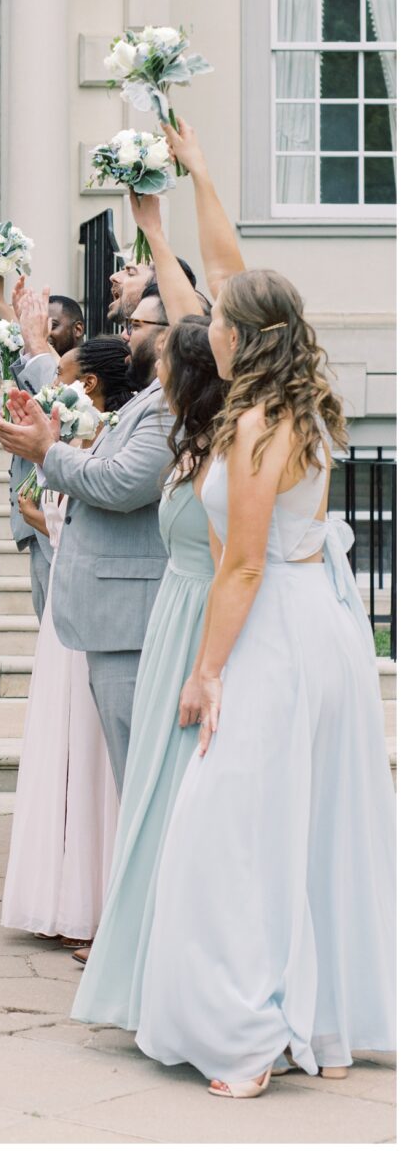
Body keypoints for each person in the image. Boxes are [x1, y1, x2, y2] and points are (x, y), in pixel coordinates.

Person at [135, 264, 396, 1096]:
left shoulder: (253, 424)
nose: (205, 325)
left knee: (234, 832)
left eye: (217, 317)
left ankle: (247, 1038)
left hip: (272, 635)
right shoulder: (304, 409)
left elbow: (244, 566)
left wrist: (204, 672)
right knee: (308, 823)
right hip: (316, 626)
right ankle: (325, 1030)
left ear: (240, 338)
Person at [71, 191, 228, 997]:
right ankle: (149, 937)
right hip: (170, 617)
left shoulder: (213, 434)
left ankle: (179, 944)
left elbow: (241, 567)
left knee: (173, 788)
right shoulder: (184, 425)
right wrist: (157, 230)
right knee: (153, 789)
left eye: (162, 352)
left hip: (198, 625)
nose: (148, 360)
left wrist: (208, 669)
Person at [0, 286, 174, 791]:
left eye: (135, 326)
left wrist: (47, 453)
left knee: (139, 778)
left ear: (166, 338)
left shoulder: (163, 407)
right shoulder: (141, 404)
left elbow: (119, 483)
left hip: (130, 619)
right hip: (101, 614)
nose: (124, 334)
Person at [0, 336, 132, 950]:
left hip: (93, 605)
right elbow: (43, 510)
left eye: (64, 375)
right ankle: (60, 894)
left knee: (93, 750)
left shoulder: (108, 441)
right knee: (64, 743)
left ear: (91, 386)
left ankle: (96, 899)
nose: (55, 384)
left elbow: (72, 511)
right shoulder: (73, 440)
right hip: (65, 600)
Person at [0, 280, 78, 619]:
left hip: (61, 521)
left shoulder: (81, 375)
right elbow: (3, 430)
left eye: (51, 325)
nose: (42, 333)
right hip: (34, 525)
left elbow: (40, 422)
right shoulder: (31, 369)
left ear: (78, 330)